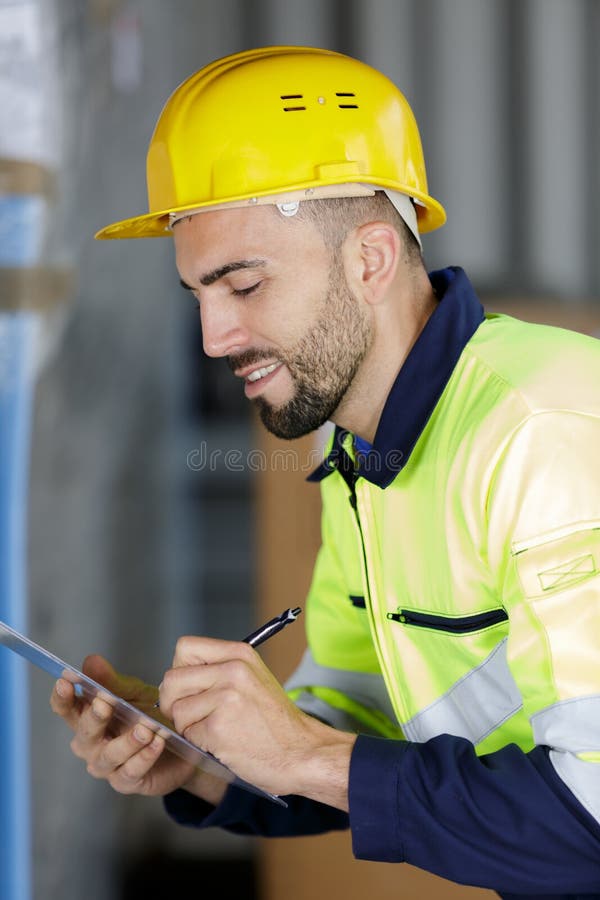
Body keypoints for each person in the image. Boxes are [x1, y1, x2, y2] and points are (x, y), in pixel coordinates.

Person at [50, 46, 600, 898]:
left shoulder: (544, 434)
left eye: (244, 285)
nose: (214, 339)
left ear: (371, 261)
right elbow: (359, 725)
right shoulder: (362, 451)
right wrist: (200, 755)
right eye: (199, 295)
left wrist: (307, 754)